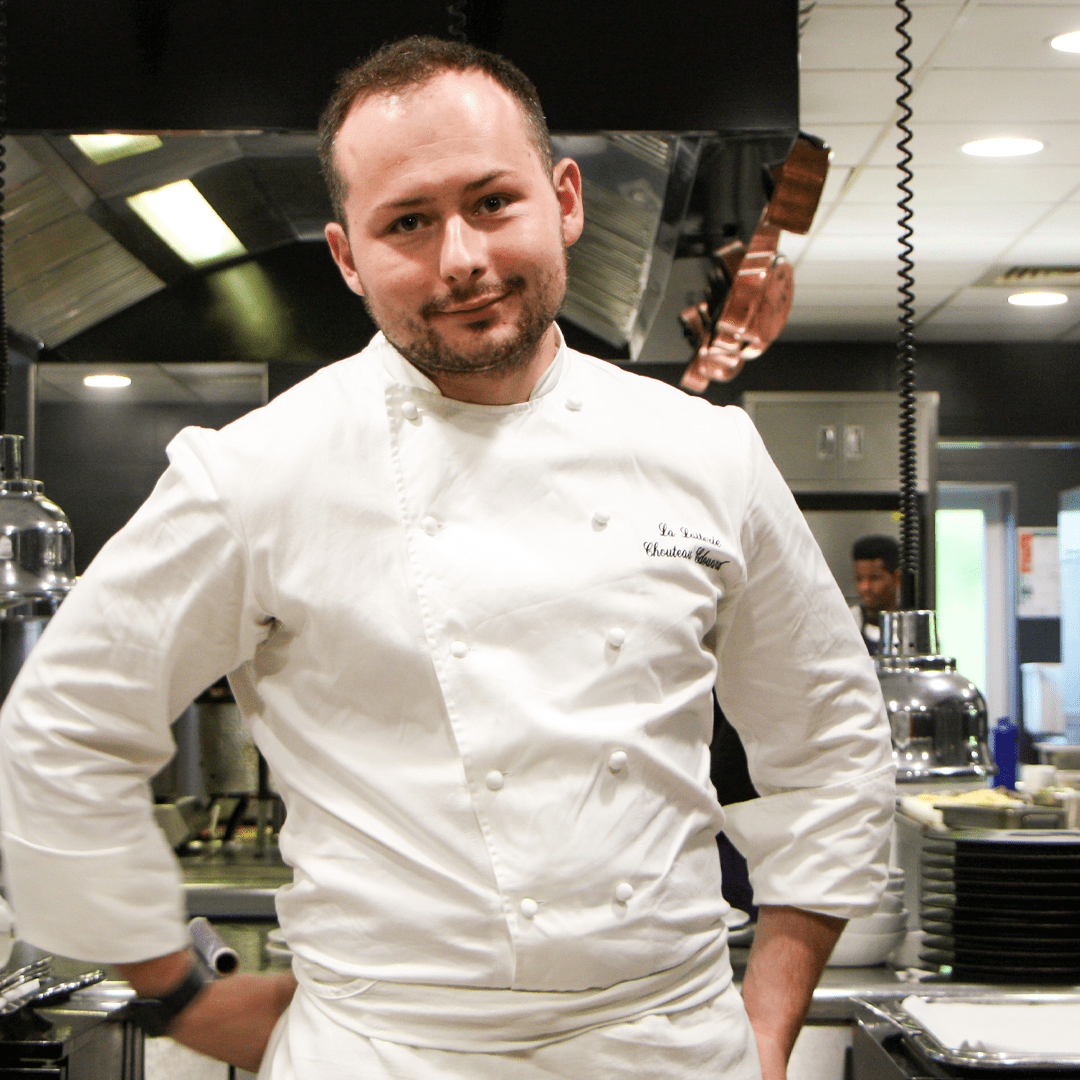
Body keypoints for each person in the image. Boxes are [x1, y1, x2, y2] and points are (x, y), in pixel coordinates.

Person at [0, 36, 894, 1080]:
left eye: (491, 202)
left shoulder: (706, 452)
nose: (460, 257)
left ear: (564, 199)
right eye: (408, 223)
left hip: (670, 1048)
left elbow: (828, 747)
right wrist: (181, 994)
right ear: (347, 257)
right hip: (389, 1056)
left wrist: (770, 1030)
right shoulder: (257, 475)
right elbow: (61, 730)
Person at [850, 535, 902, 655]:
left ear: (897, 578)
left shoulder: (912, 630)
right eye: (859, 578)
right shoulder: (848, 623)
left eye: (874, 578)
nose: (865, 587)